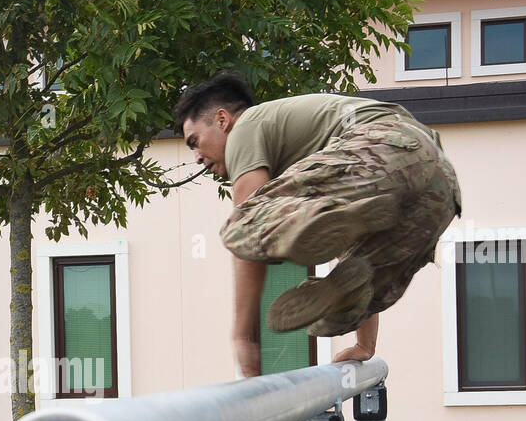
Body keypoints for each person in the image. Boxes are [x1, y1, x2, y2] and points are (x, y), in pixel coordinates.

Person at [174, 72, 462, 374]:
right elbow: (353, 262)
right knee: (340, 307)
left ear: (222, 120)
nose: (196, 157)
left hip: (383, 143)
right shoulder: (307, 148)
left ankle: (337, 220)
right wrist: (365, 346)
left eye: (195, 142)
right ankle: (346, 275)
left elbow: (249, 228)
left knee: (240, 226)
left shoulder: (247, 126)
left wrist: (243, 337)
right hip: (441, 184)